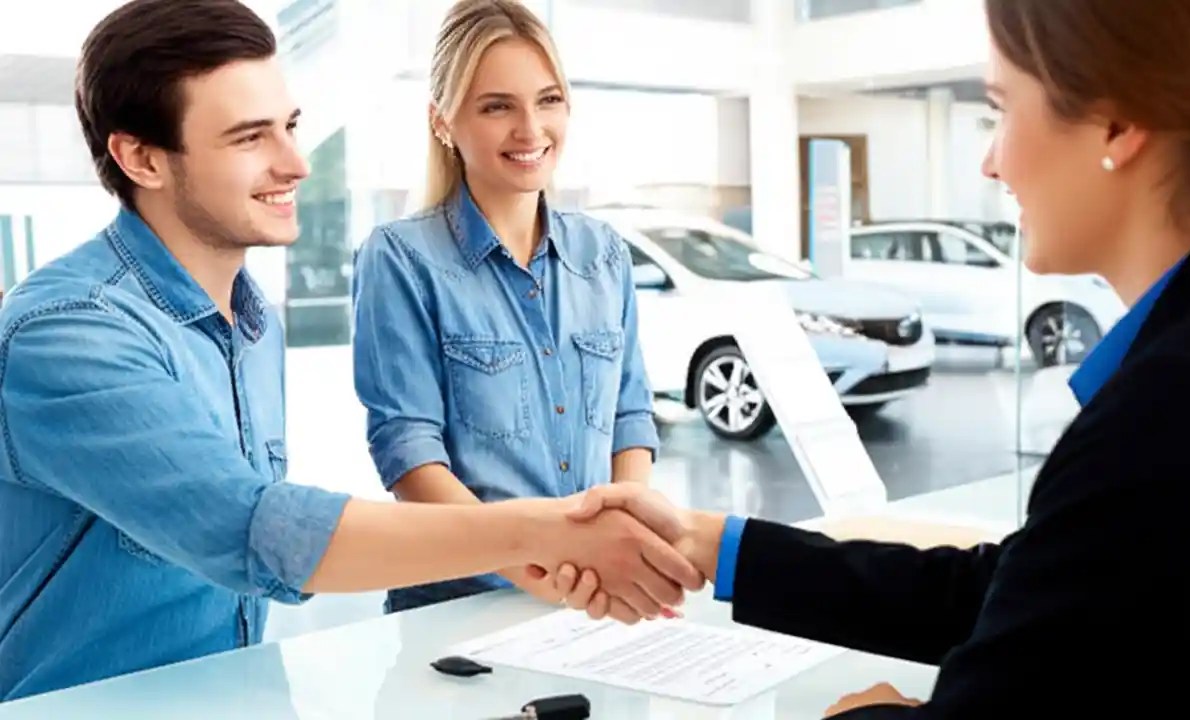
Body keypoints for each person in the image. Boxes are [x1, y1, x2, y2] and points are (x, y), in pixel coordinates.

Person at [571, 0, 1190, 716]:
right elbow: (1028, 590)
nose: (991, 160)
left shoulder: (1183, 406)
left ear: (1119, 124)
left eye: (999, 109)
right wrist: (718, 544)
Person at [0, 0, 700, 702]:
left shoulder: (247, 323)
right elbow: (255, 528)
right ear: (141, 158)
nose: (297, 164)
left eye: (291, 127)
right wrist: (556, 536)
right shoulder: (68, 332)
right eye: (250, 138)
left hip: (226, 692)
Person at [350, 0, 660, 617]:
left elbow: (630, 415)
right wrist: (537, 565)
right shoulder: (400, 259)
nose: (530, 130)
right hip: (457, 608)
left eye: (548, 101)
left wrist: (621, 543)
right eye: (497, 106)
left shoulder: (603, 253)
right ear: (442, 121)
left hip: (592, 600)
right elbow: (409, 454)